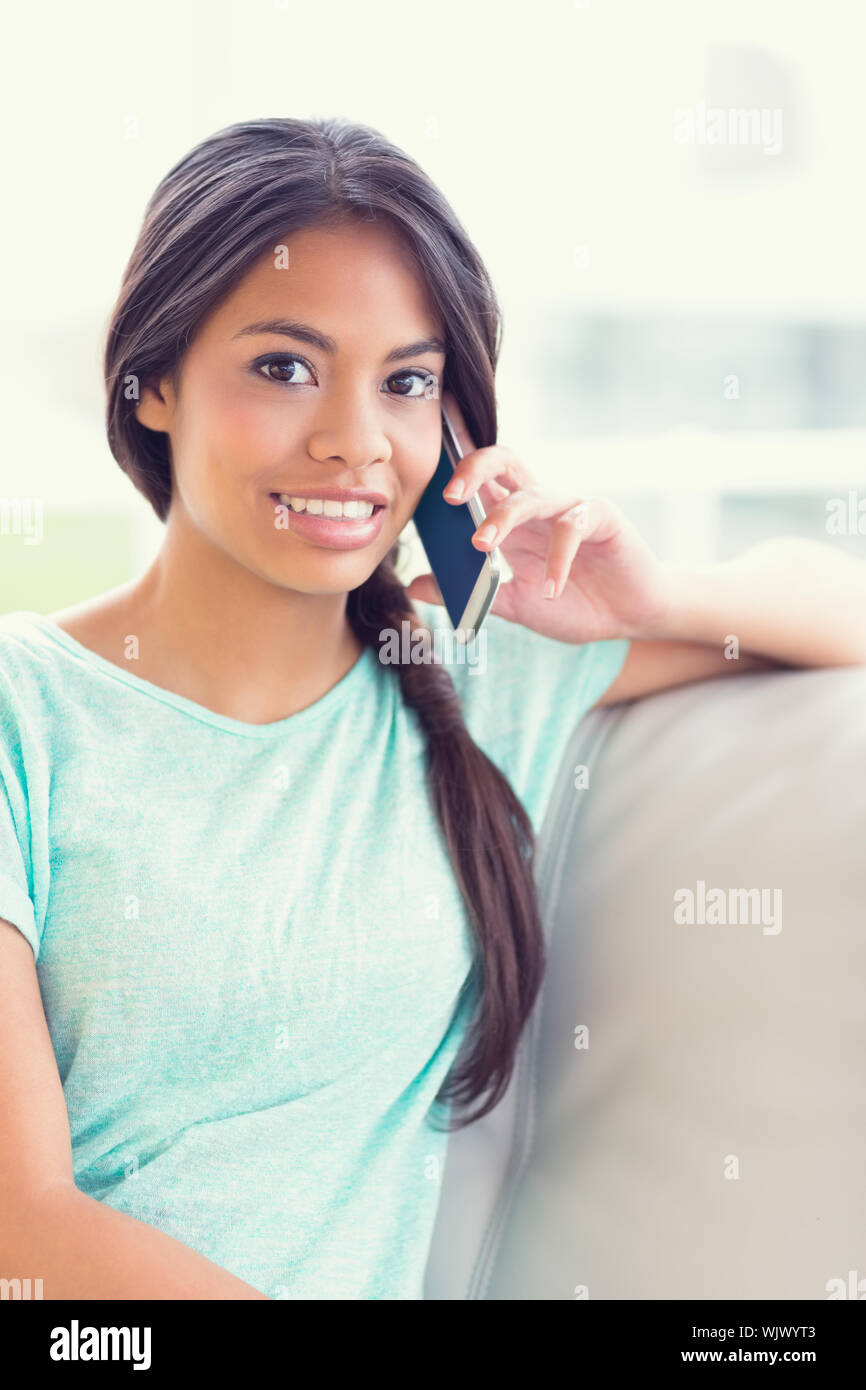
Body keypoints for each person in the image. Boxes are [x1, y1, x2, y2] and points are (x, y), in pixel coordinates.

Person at [0, 117, 864, 1303]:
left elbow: (839, 611)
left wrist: (655, 592)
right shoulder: (22, 710)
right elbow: (24, 1223)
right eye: (284, 366)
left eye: (406, 383)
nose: (355, 441)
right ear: (150, 383)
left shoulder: (462, 683)